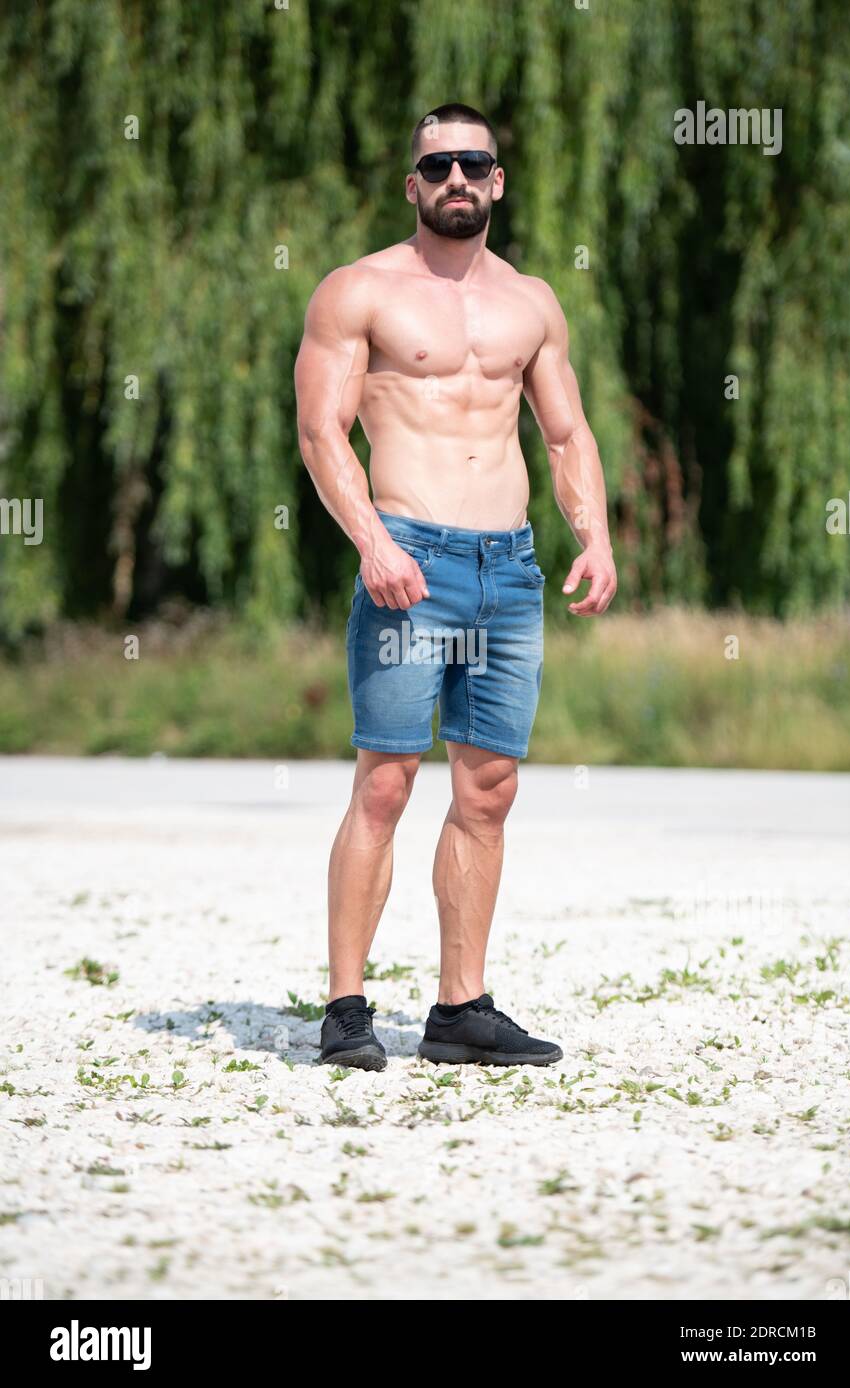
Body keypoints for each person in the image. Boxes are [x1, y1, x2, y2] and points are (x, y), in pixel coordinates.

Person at [294, 103, 617, 1070]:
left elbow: (565, 434)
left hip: (508, 569)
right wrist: (373, 544)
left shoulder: (533, 302)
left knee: (489, 789)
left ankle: (459, 1008)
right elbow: (322, 434)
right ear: (414, 184)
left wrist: (593, 535)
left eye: (475, 163)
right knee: (386, 782)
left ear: (497, 181)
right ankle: (347, 1009)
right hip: (409, 564)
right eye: (439, 166)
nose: (458, 180)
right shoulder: (359, 292)